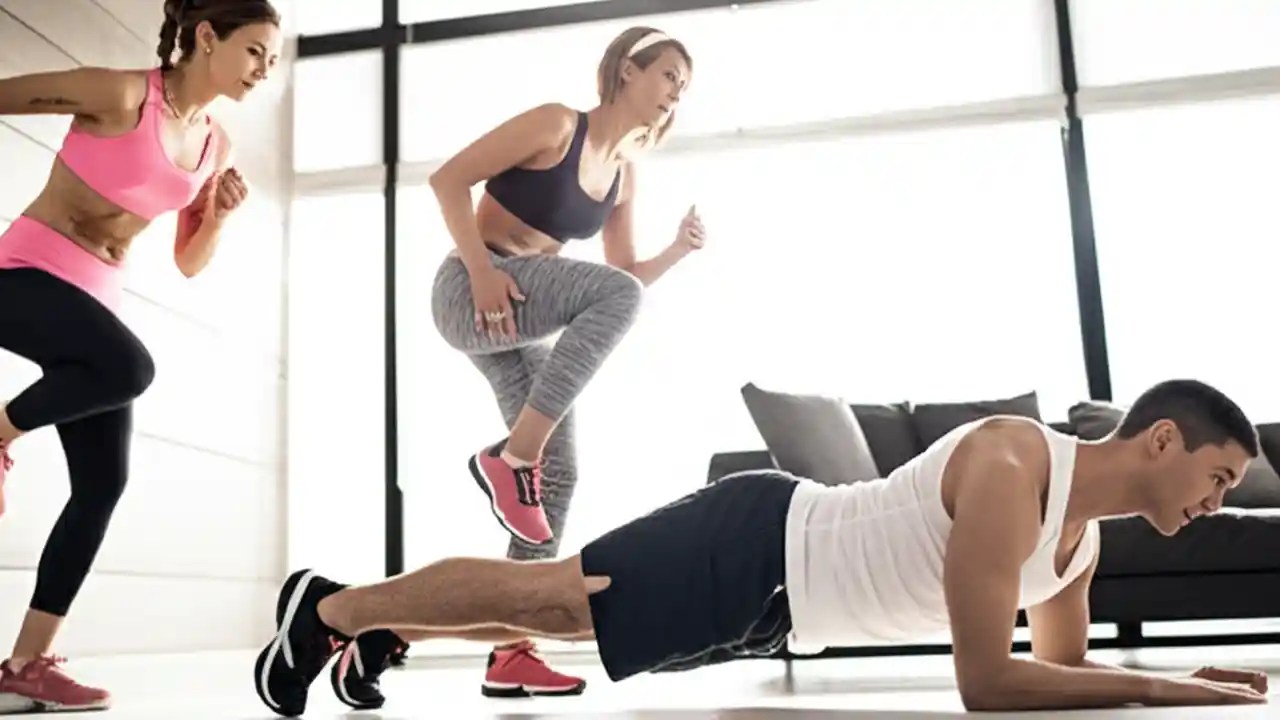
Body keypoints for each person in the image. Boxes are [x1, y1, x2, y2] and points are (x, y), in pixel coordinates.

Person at [254, 378, 1273, 716]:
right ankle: (330, 607)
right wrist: (1164, 689)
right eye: (1219, 479)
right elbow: (986, 684)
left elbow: (1058, 681)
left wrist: (1166, 681)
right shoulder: (1014, 465)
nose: (1217, 503)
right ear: (1161, 441)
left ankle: (378, 626)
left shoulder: (1076, 551)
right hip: (757, 543)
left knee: (575, 624)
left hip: (774, 610)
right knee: (559, 599)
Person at [318, 26, 704, 710]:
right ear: (627, 70)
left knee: (561, 476)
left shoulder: (623, 175)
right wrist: (480, 272)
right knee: (559, 418)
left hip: (517, 312)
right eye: (669, 74)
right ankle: (511, 457)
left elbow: (623, 275)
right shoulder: (558, 125)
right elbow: (447, 180)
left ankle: (503, 650)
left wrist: (676, 251)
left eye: (685, 85)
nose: (677, 92)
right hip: (470, 290)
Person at [0, 0, 281, 712]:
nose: (264, 69)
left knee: (102, 485)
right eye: (255, 51)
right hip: (22, 277)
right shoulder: (122, 94)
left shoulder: (216, 145)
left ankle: (25, 666)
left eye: (273, 60)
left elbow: (188, 260)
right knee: (131, 370)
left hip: (95, 305)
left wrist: (218, 217)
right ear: (207, 37)